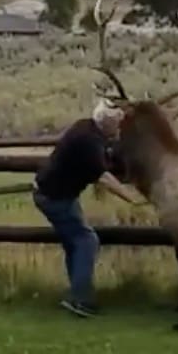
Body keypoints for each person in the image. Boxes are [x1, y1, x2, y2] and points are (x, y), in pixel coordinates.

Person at [32, 98, 144, 317]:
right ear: (107, 124)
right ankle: (81, 300)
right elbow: (102, 176)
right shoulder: (89, 142)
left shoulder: (85, 127)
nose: (120, 127)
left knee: (74, 242)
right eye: (117, 123)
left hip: (51, 192)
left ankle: (76, 294)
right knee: (86, 241)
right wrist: (132, 198)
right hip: (56, 198)